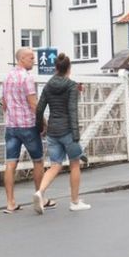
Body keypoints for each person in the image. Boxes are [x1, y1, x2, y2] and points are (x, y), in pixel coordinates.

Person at [33, 53, 91, 212]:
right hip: (67, 131)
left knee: (55, 165)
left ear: (56, 68)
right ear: (69, 68)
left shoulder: (48, 85)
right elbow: (72, 111)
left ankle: (40, 192)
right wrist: (76, 136)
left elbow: (39, 109)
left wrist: (40, 127)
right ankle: (74, 202)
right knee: (74, 165)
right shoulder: (71, 86)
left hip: (52, 131)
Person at [2, 47, 46, 214]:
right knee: (38, 161)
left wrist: (11, 114)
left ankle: (10, 202)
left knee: (10, 163)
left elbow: (4, 104)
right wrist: (43, 122)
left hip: (11, 126)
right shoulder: (27, 78)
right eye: (31, 58)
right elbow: (34, 104)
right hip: (27, 125)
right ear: (21, 59)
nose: (34, 60)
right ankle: (41, 196)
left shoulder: (7, 77)